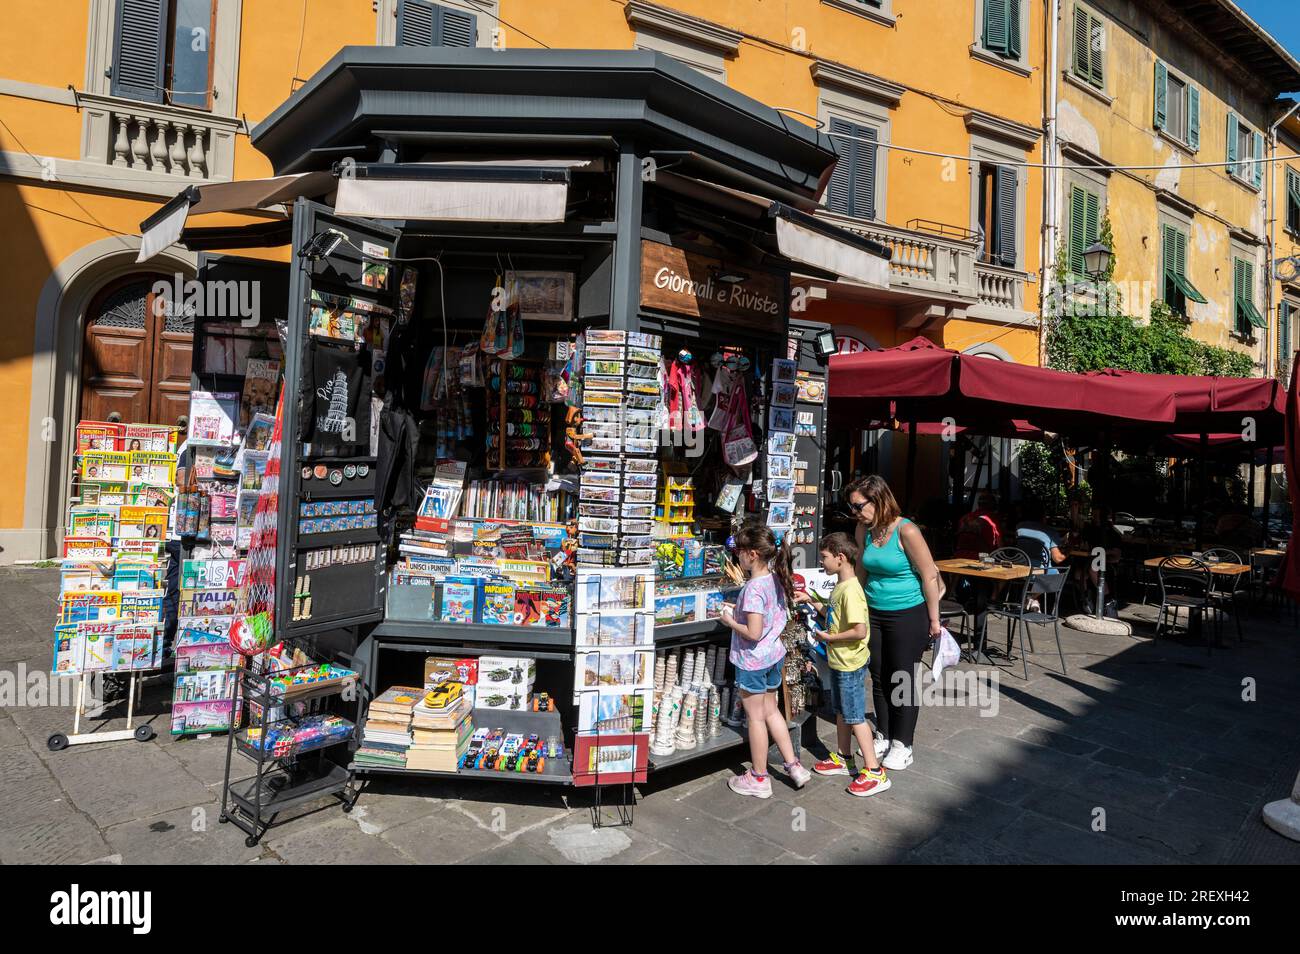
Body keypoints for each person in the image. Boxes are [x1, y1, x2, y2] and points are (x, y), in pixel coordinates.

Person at [846, 475, 944, 771]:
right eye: (851, 507)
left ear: (877, 500)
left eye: (858, 506)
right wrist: (854, 604)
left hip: (907, 612)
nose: (855, 512)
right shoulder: (864, 529)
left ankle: (904, 743)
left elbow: (929, 575)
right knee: (877, 674)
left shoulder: (907, 530)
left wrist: (934, 619)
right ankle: (884, 733)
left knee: (901, 677)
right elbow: (862, 569)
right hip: (873, 611)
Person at [720, 523, 811, 797]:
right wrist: (741, 611)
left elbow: (753, 632)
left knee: (755, 718)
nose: (737, 557)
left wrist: (729, 621)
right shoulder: (776, 578)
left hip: (753, 660)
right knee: (772, 711)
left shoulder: (752, 589)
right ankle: (794, 765)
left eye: (739, 552)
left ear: (752, 554)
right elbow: (769, 617)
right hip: (774, 657)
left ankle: (759, 777)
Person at [798, 532, 890, 797]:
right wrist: (813, 602)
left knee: (855, 716)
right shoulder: (841, 585)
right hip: (840, 661)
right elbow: (834, 615)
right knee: (841, 711)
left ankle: (874, 771)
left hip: (849, 663)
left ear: (840, 557)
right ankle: (843, 757)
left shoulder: (851, 591)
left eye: (824, 557)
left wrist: (830, 638)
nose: (821, 562)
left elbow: (860, 630)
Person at [1014, 498, 1067, 571]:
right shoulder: (1050, 531)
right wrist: (1070, 548)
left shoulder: (1020, 527)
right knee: (1060, 571)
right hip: (1041, 572)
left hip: (1020, 569)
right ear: (1044, 516)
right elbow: (1058, 559)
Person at [954, 491, 1002, 559]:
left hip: (959, 556)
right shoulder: (992, 520)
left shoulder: (964, 518)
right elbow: (1000, 546)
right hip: (981, 558)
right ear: (992, 505)